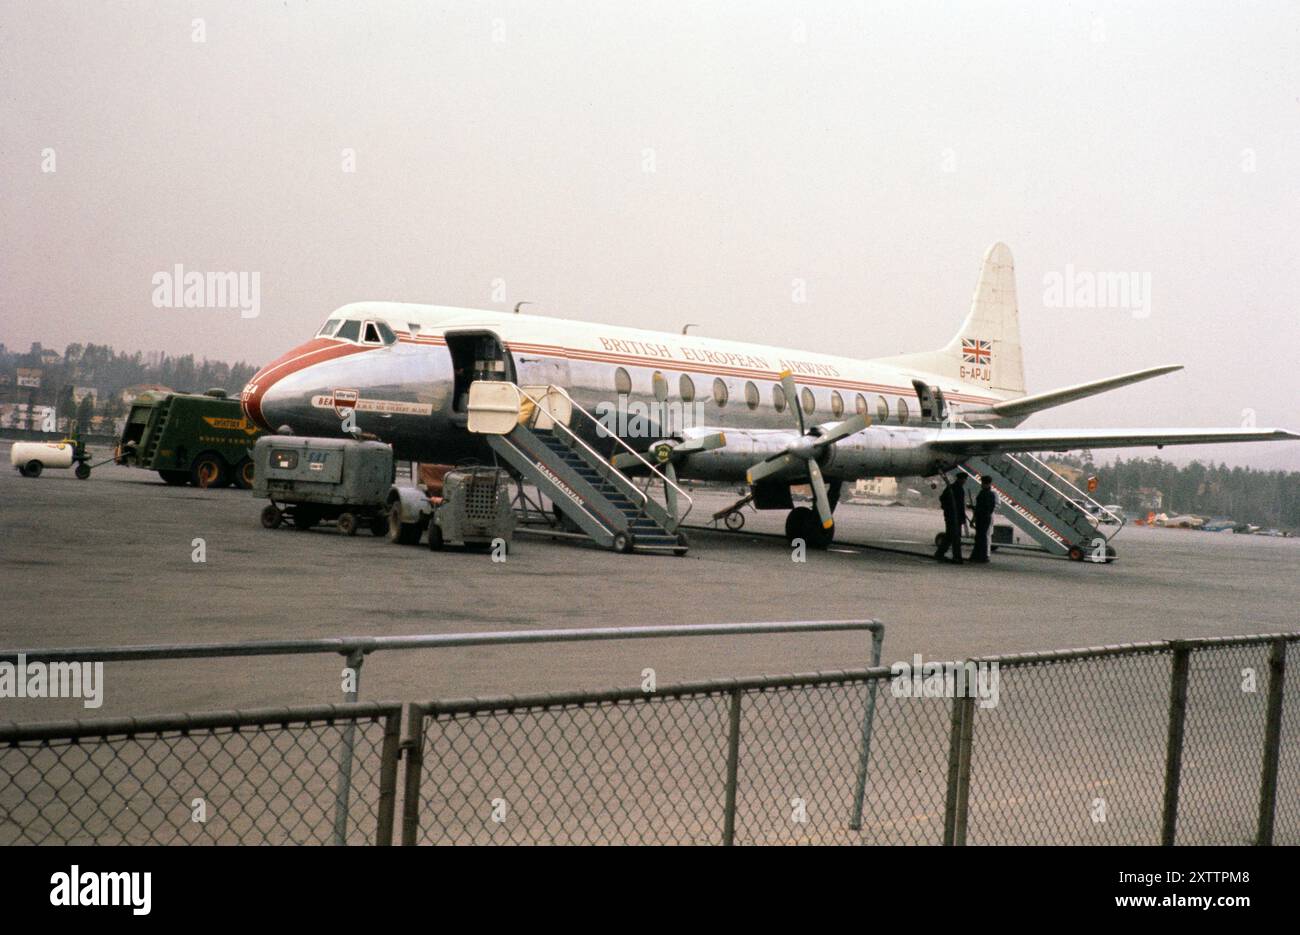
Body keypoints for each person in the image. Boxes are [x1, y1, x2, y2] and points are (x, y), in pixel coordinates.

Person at [934, 473, 967, 563]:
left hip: (955, 516)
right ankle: (957, 557)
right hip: (953, 517)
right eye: (963, 479)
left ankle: (939, 553)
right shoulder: (954, 488)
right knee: (955, 537)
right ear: (960, 479)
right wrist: (948, 509)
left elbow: (960, 506)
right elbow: (943, 499)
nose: (964, 481)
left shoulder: (956, 488)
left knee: (949, 536)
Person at [970, 475, 999, 563]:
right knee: (982, 537)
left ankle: (980, 556)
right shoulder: (992, 494)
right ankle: (981, 556)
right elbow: (992, 507)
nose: (982, 485)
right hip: (986, 517)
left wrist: (974, 518)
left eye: (983, 483)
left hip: (982, 517)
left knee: (980, 537)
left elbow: (979, 508)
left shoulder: (983, 494)